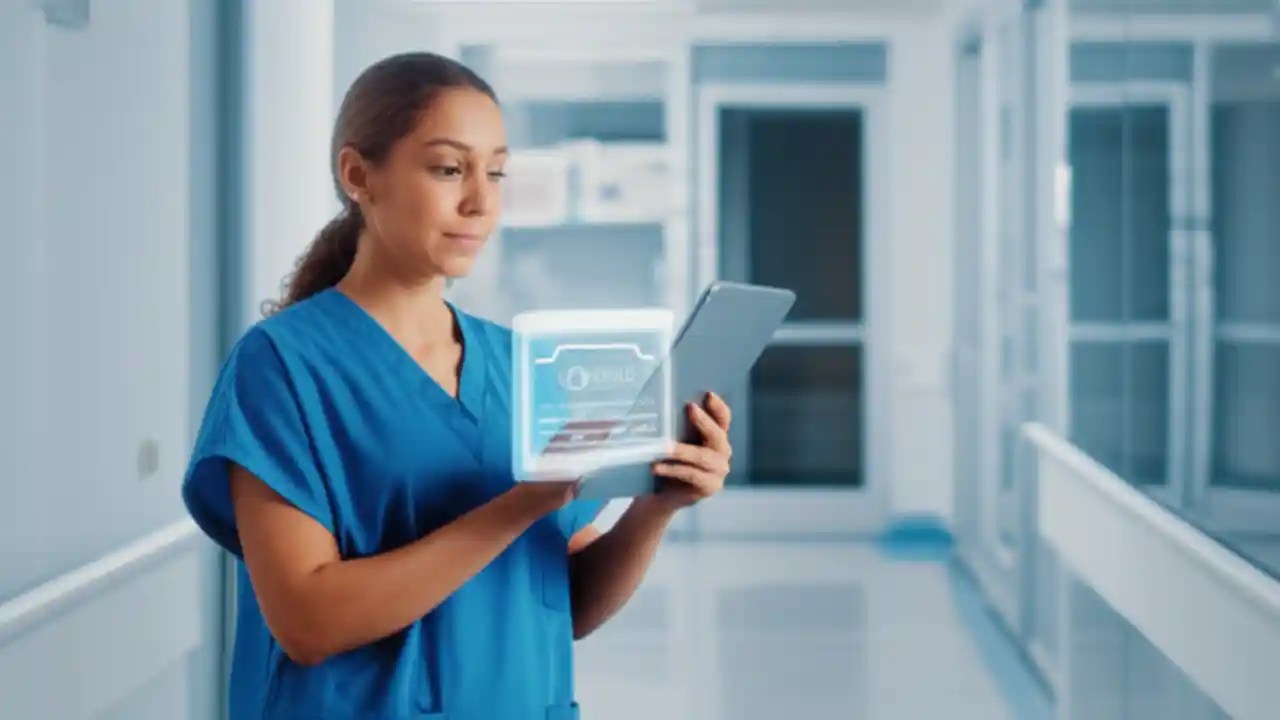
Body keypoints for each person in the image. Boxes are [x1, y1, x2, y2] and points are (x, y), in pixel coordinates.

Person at [181, 51, 734, 719]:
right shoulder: (281, 367)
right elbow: (308, 622)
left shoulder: (518, 362)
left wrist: (656, 507)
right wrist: (521, 503)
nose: (480, 201)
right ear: (358, 175)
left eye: (496, 172)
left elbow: (568, 604)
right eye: (449, 169)